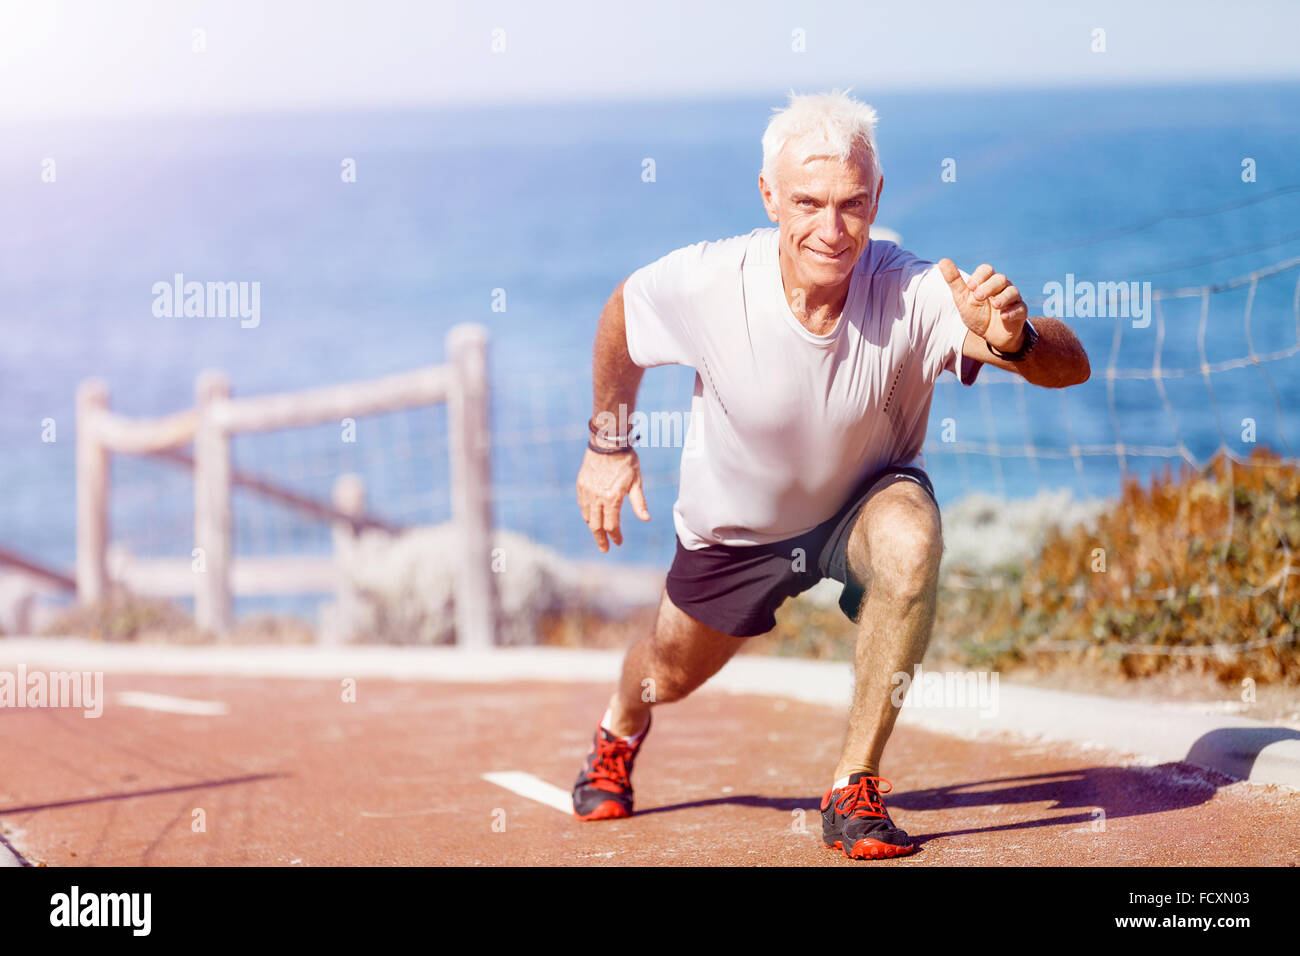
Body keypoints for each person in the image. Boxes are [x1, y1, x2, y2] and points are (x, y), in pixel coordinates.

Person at [571, 89, 1090, 860]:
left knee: (912, 538)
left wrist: (1017, 341)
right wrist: (610, 446)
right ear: (769, 196)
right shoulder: (710, 282)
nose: (831, 228)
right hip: (738, 529)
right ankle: (619, 724)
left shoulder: (915, 289)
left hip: (863, 504)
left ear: (876, 197)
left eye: (852, 203)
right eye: (808, 202)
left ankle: (855, 785)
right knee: (668, 674)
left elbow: (1070, 367)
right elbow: (621, 315)